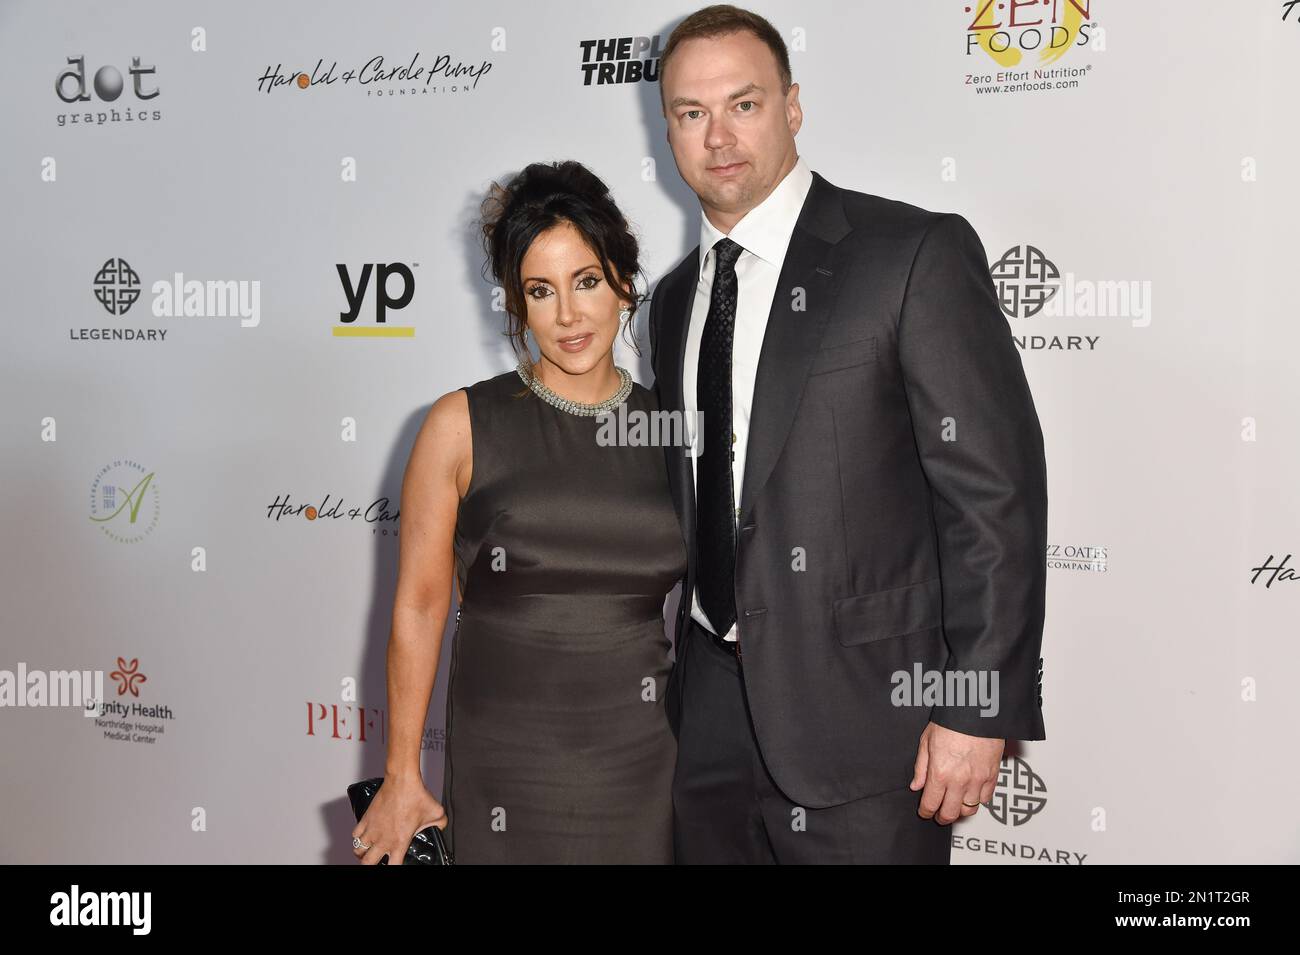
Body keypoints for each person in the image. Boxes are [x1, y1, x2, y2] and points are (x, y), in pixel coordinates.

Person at [649, 5, 1049, 864]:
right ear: (668, 131)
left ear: (793, 107)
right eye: (691, 113)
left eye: (744, 104)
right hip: (710, 715)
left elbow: (993, 495)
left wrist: (977, 705)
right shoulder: (674, 298)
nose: (718, 135)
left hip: (874, 725)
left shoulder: (909, 253)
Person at [351, 160, 686, 864]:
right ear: (514, 302)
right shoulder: (460, 424)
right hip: (503, 759)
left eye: (587, 281)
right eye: (541, 291)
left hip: (643, 760)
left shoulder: (673, 429)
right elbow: (417, 606)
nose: (567, 315)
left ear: (624, 279)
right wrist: (403, 772)